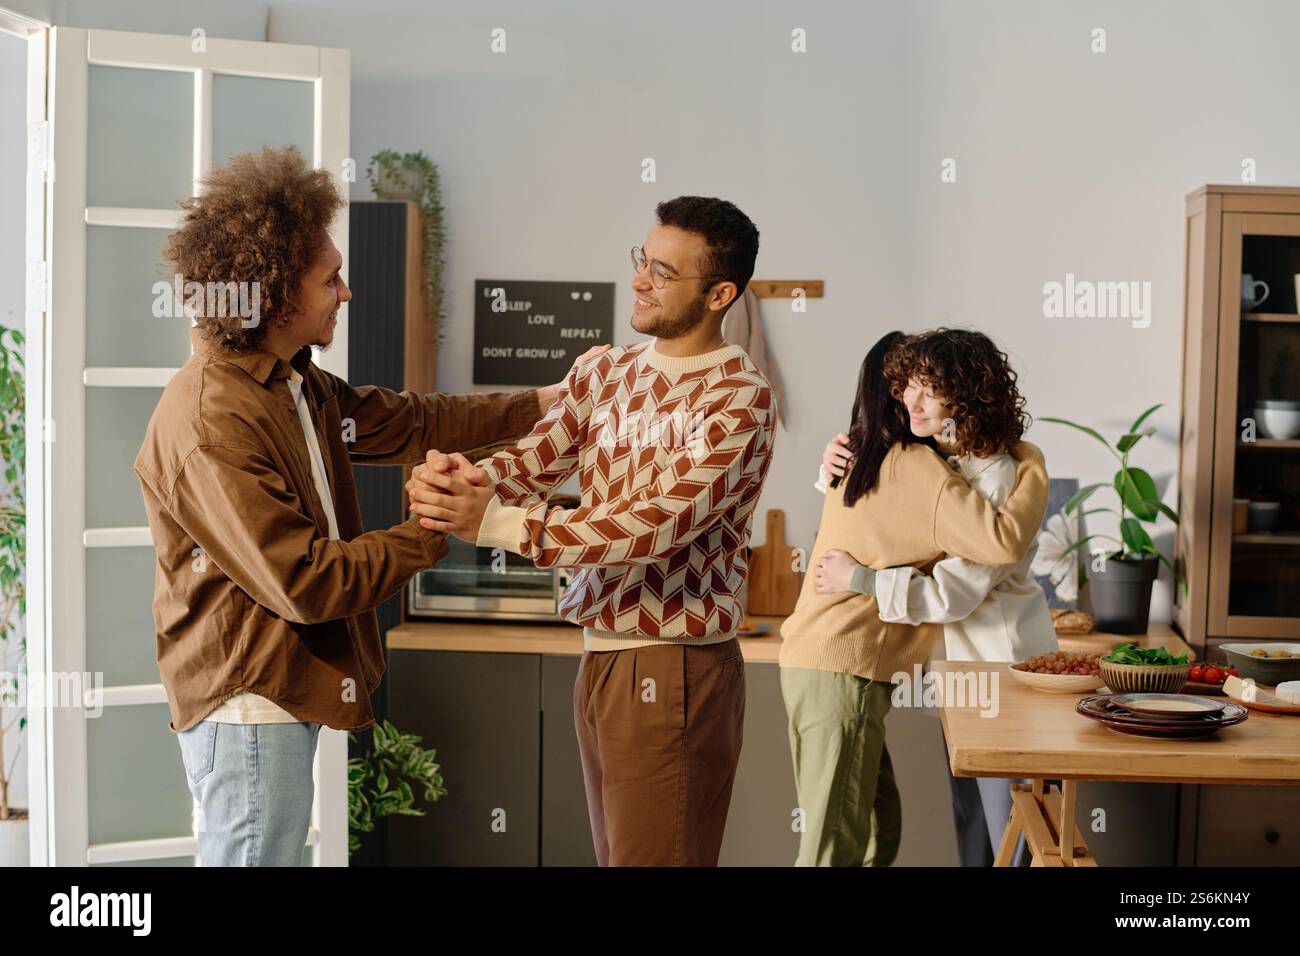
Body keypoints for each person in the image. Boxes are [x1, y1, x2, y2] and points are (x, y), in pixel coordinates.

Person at [134, 145, 600, 866]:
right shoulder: (212, 421)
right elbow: (309, 582)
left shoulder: (291, 384)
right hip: (248, 698)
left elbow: (410, 421)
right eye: (332, 279)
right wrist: (432, 528)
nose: (346, 294)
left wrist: (542, 403)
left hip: (275, 691)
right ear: (277, 296)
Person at [406, 197, 775, 866]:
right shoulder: (606, 373)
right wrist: (457, 482)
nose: (639, 280)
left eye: (662, 271)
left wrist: (494, 522)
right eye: (642, 259)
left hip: (674, 662)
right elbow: (530, 463)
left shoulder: (739, 395)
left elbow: (656, 525)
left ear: (720, 293)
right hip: (602, 655)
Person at [778, 330, 1049, 866]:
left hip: (998, 670)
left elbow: (962, 584)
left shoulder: (972, 471)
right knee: (968, 832)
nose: (911, 401)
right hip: (942, 675)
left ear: (966, 395)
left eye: (930, 388)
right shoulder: (927, 465)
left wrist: (864, 581)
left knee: (1009, 837)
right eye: (906, 387)